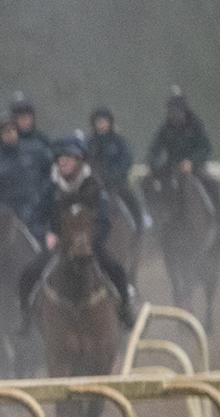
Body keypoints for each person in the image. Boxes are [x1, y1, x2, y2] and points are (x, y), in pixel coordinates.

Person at [18, 133, 135, 327]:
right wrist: (46, 234)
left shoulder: (94, 186)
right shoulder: (50, 188)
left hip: (90, 245)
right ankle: (26, 318)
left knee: (116, 269)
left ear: (79, 161)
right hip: (59, 246)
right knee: (28, 275)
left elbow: (104, 221)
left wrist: (91, 240)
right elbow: (34, 218)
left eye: (68, 159)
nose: (63, 163)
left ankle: (125, 310)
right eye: (60, 159)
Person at [148, 87, 220, 212]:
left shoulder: (196, 125)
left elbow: (205, 147)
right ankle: (156, 212)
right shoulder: (165, 128)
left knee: (208, 181)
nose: (173, 113)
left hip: (194, 165)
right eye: (171, 110)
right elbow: (155, 148)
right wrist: (152, 163)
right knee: (149, 181)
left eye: (176, 109)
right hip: (172, 164)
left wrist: (191, 161)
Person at [87, 106, 146, 228]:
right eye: (98, 122)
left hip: (117, 183)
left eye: (104, 121)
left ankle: (139, 228)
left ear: (109, 122)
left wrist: (116, 173)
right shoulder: (90, 143)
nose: (101, 124)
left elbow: (127, 160)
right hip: (95, 184)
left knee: (133, 203)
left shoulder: (118, 141)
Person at [8, 92, 54, 183]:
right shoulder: (9, 143)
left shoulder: (42, 140)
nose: (25, 121)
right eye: (20, 118)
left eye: (27, 117)